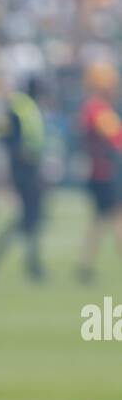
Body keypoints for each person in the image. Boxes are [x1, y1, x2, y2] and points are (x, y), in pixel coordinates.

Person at [0, 75, 46, 280]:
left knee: (29, 217)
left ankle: (25, 262)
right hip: (25, 169)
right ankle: (28, 264)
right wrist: (18, 157)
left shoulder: (22, 106)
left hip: (27, 168)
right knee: (30, 217)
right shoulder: (21, 107)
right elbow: (7, 135)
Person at [76, 62, 122, 283]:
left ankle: (85, 267)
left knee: (98, 222)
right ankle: (85, 267)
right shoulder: (98, 109)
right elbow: (117, 138)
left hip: (98, 173)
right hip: (104, 173)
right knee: (117, 219)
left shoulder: (92, 108)